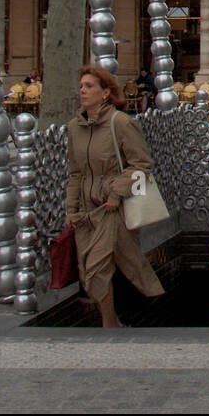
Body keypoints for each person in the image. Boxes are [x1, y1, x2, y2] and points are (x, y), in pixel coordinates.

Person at [65, 64, 165, 328]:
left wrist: (117, 192)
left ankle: (110, 323)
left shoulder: (120, 123)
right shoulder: (75, 127)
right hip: (86, 210)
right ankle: (113, 322)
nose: (83, 91)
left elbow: (141, 165)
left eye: (89, 87)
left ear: (105, 93)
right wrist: (70, 208)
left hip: (111, 208)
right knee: (88, 271)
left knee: (97, 268)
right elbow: (75, 172)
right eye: (81, 86)